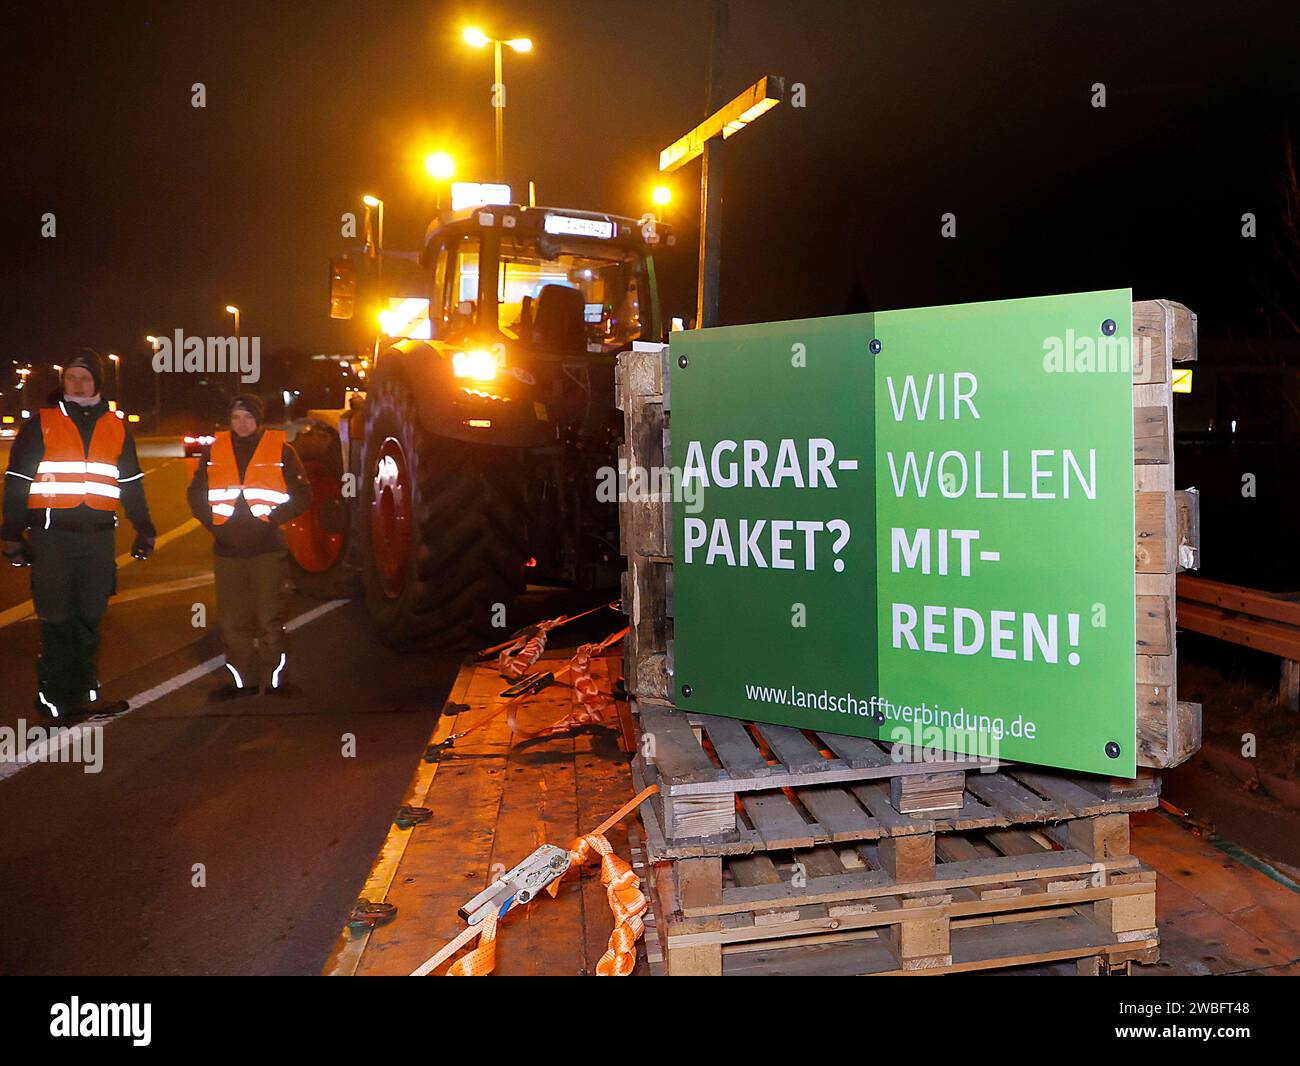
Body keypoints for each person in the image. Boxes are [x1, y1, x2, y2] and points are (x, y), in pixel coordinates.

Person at [2, 350, 156, 720]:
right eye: (71, 377)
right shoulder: (44, 423)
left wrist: (144, 527)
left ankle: (85, 695)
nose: (77, 383)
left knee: (90, 617)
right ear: (63, 382)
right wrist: (10, 531)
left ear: (97, 383)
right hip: (53, 537)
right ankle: (55, 698)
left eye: (85, 377)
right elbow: (18, 479)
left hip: (98, 538)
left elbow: (131, 480)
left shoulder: (116, 425)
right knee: (57, 618)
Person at [187, 394, 312, 700]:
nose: (241, 424)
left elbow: (303, 494)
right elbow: (196, 494)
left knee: (270, 618)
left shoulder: (281, 450)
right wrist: (215, 526)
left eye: (248, 417)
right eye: (235, 417)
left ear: (258, 420)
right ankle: (241, 683)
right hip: (227, 549)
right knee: (232, 621)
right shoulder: (214, 452)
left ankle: (276, 683)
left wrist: (271, 520)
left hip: (267, 547)